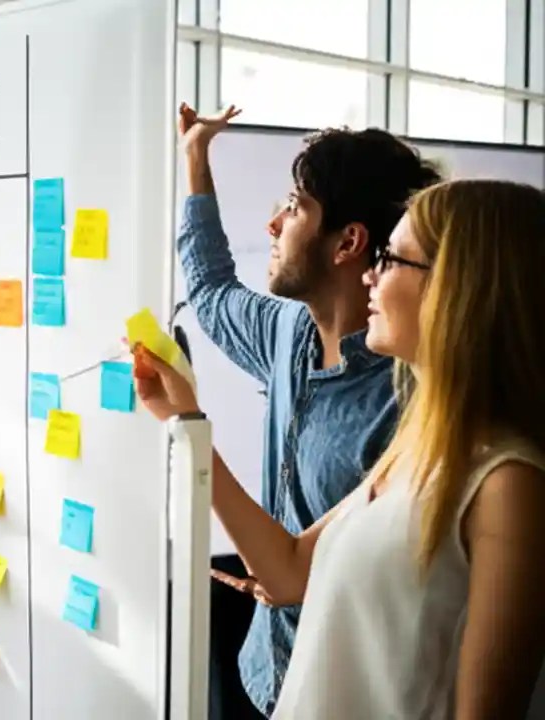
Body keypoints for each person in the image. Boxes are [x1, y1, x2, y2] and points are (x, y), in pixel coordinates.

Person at [137, 178, 545, 718]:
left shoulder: (507, 483)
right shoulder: (419, 446)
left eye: (393, 260)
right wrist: (187, 422)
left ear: (461, 288)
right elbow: (286, 572)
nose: (371, 275)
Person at [176, 103, 443, 716]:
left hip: (342, 692)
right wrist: (196, 161)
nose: (273, 224)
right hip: (262, 671)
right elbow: (212, 290)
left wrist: (186, 424)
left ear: (348, 242)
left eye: (294, 207)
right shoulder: (286, 330)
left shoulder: (414, 404)